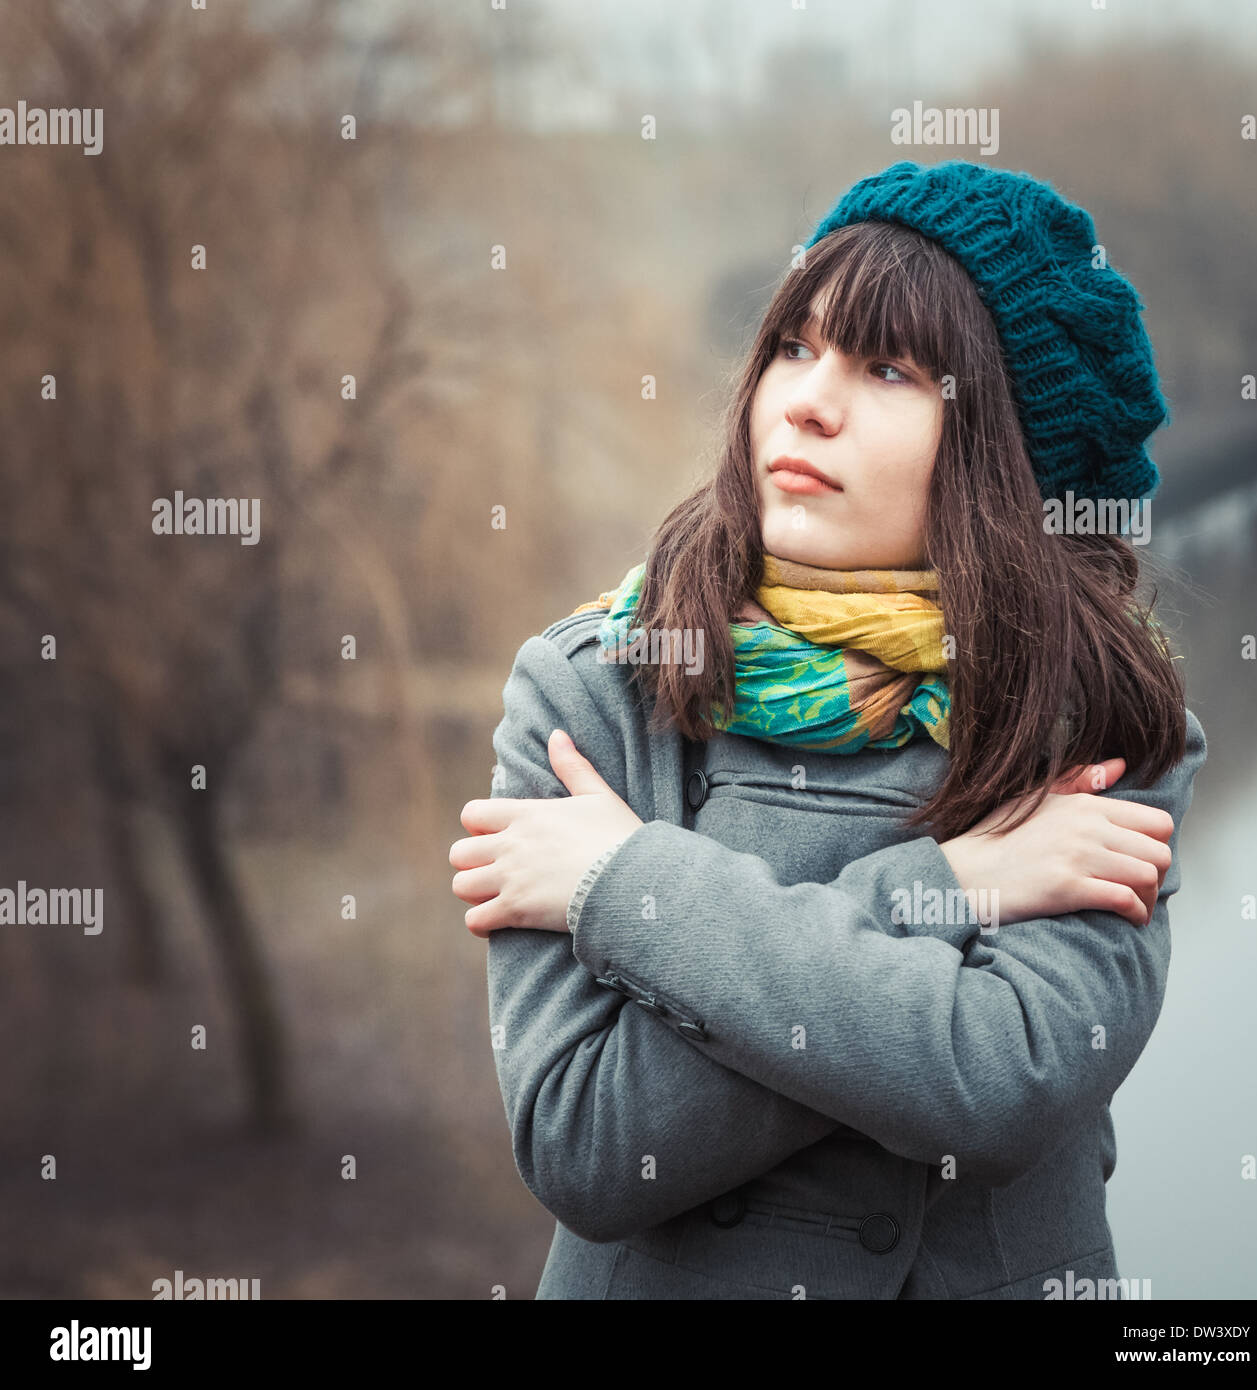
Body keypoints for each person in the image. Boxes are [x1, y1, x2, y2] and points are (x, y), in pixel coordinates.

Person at [449, 159, 1208, 1300]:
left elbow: (997, 1081)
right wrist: (943, 888)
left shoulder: (1098, 723)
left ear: (1006, 451)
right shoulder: (596, 687)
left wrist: (626, 885)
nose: (806, 399)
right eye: (794, 348)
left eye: (888, 368)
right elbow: (588, 1143)